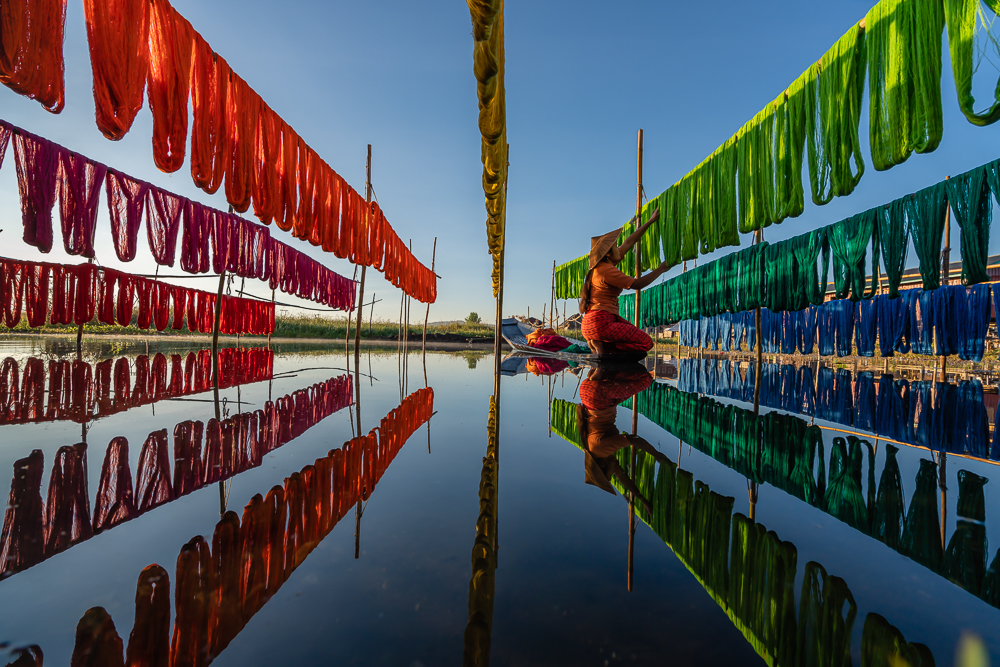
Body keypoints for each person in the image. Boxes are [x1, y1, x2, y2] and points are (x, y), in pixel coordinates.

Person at [580, 207, 671, 357]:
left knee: (634, 341)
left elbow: (629, 243)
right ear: (608, 255)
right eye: (616, 247)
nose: (620, 249)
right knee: (645, 343)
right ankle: (601, 344)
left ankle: (599, 344)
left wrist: (650, 221)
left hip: (591, 323)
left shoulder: (600, 268)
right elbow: (637, 284)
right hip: (601, 323)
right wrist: (661, 269)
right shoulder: (606, 271)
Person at [577, 365, 669, 513]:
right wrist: (642, 499)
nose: (613, 473)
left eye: (609, 473)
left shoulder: (600, 449)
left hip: (598, 396)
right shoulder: (594, 450)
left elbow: (633, 439)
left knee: (644, 381)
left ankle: (654, 370)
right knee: (622, 374)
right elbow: (623, 477)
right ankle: (601, 366)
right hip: (588, 392)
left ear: (602, 465)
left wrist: (657, 455)